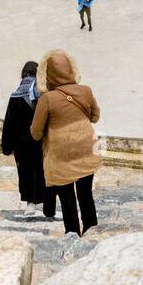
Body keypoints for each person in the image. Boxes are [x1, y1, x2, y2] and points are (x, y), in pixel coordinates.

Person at [30, 49, 102, 236]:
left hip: (61, 156)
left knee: (67, 198)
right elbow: (95, 117)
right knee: (86, 194)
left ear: (48, 74)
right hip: (87, 149)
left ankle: (72, 234)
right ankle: (91, 230)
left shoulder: (47, 99)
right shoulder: (86, 91)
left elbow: (36, 133)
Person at [0, 61, 54, 220]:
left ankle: (30, 202)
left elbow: (9, 122)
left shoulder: (15, 96)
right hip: (41, 141)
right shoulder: (44, 94)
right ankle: (42, 200)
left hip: (21, 144)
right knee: (41, 168)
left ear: (23, 74)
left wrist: (7, 147)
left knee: (25, 171)